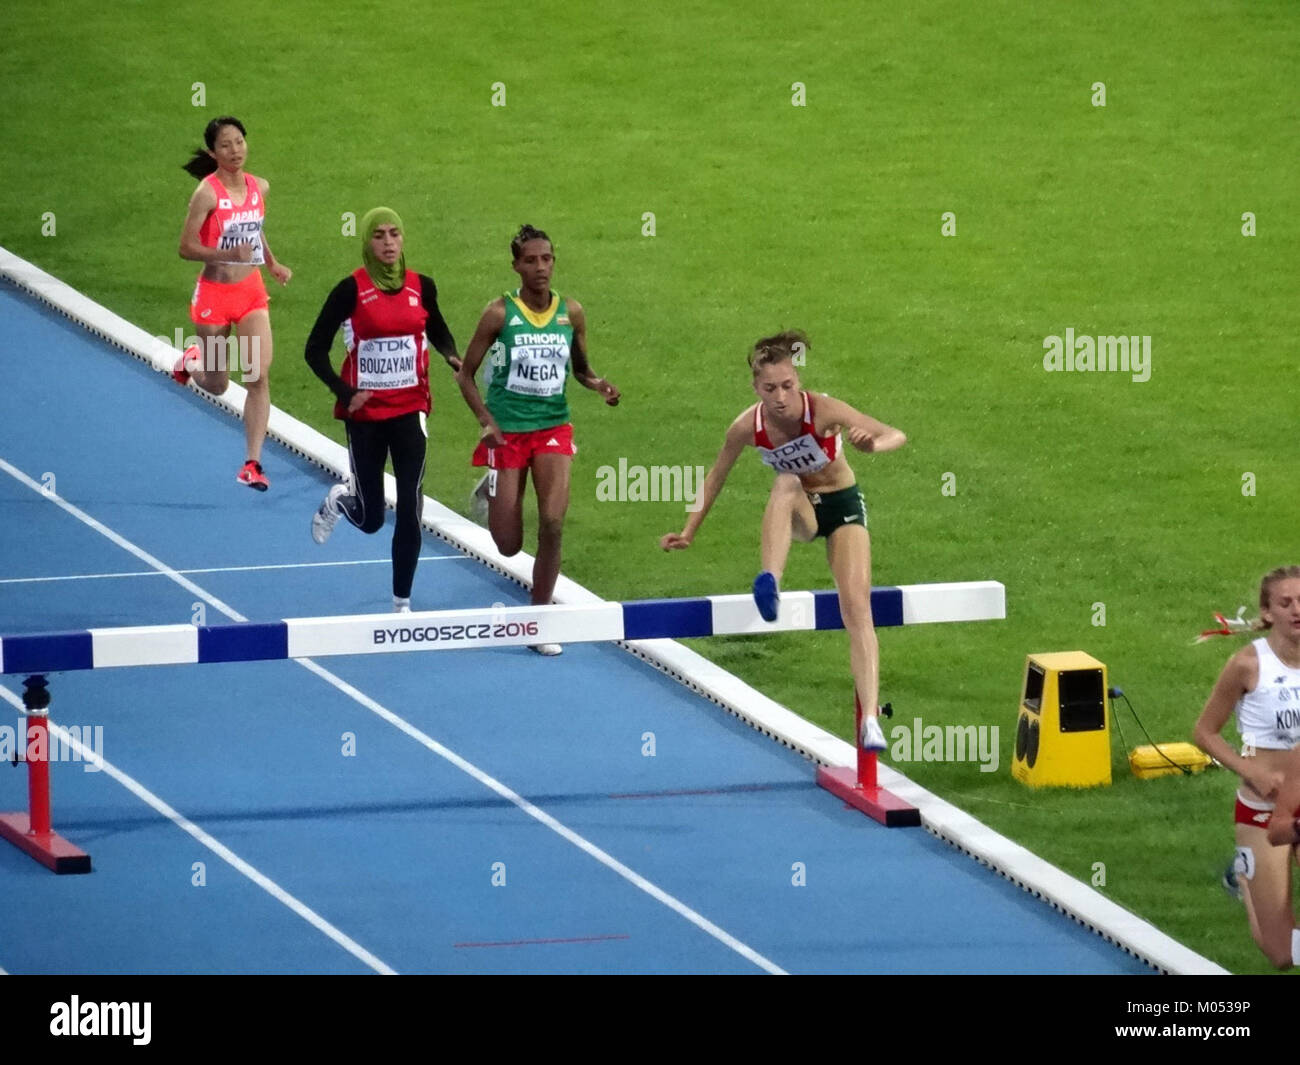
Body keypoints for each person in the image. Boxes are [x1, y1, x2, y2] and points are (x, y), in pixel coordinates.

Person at [659, 331, 905, 749]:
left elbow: (895, 434)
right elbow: (716, 476)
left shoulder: (823, 410)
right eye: (769, 388)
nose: (780, 397)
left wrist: (872, 446)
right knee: (786, 481)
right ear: (756, 389)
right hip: (800, 509)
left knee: (856, 607)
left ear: (799, 383)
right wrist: (689, 530)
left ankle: (870, 720)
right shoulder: (746, 426)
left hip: (842, 504)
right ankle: (769, 581)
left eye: (787, 386)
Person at [455, 225, 620, 655]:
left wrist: (599, 385)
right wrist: (485, 420)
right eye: (531, 260)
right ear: (516, 266)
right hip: (507, 432)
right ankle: (492, 492)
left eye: (547, 258)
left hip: (552, 428)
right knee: (508, 546)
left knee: (552, 522)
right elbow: (465, 375)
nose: (541, 267)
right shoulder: (499, 314)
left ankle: (539, 622)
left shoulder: (572, 313)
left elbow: (581, 369)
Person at [304, 208, 461, 612]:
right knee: (372, 519)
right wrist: (344, 390)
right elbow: (314, 349)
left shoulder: (421, 287)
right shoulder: (350, 290)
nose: (388, 243)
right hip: (366, 417)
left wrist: (452, 356)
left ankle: (401, 603)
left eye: (394, 234)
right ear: (367, 242)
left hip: (411, 411)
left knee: (411, 504)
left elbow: (436, 326)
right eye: (379, 236)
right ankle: (341, 499)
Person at [174, 116, 292, 490]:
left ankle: (252, 464)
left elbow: (254, 229)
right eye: (225, 145)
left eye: (239, 142)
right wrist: (227, 252)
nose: (235, 150)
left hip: (250, 293)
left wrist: (270, 263)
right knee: (219, 384)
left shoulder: (260, 187)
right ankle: (193, 362)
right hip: (213, 295)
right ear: (213, 152)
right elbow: (186, 247)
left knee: (258, 375)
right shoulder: (206, 194)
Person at [1193, 565, 1300, 969]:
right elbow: (1205, 732)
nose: (1296, 610)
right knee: (1282, 954)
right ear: (1267, 612)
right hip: (1261, 808)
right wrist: (1249, 770)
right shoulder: (1248, 665)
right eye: (1285, 603)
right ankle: (1243, 875)